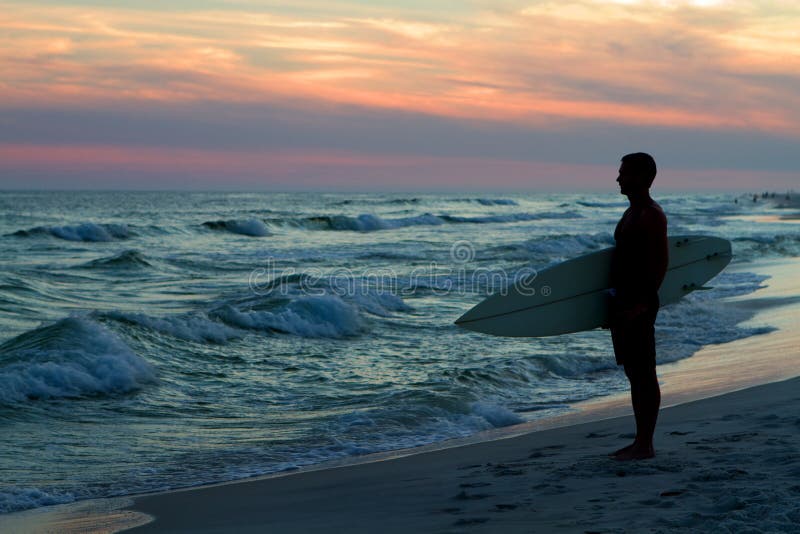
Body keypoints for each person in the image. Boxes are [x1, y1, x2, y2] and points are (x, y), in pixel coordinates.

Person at [608, 152, 668, 461]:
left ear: (643, 178)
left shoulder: (651, 215)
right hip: (624, 302)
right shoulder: (631, 213)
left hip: (639, 304)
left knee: (645, 373)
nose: (618, 178)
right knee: (634, 372)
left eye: (625, 173)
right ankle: (640, 440)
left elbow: (659, 265)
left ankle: (645, 444)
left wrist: (641, 306)